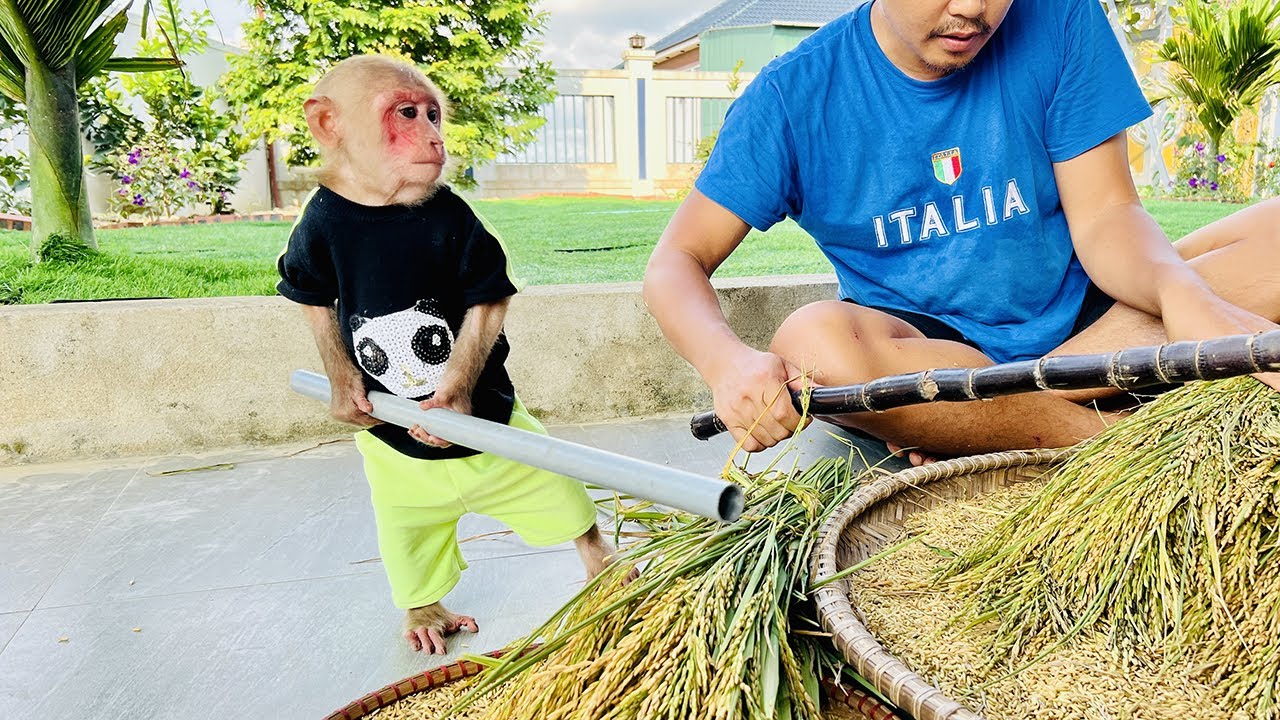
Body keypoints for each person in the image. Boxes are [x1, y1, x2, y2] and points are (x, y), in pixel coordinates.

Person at [643, 0, 1280, 464]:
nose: (973, 10)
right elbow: (677, 259)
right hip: (936, 359)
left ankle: (995, 421)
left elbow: (1109, 217)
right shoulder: (792, 96)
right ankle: (1113, 444)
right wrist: (725, 362)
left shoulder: (1061, 18)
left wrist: (1184, 299)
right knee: (814, 349)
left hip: (1097, 329)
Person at [277, 55, 623, 655]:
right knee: (405, 527)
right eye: (405, 114)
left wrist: (460, 383)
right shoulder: (324, 220)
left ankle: (599, 558)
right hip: (390, 430)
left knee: (555, 487)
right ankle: (423, 604)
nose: (432, 135)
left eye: (433, 114)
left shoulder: (448, 214)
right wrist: (340, 376)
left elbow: (489, 298)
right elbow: (311, 294)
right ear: (329, 125)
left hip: (485, 420)